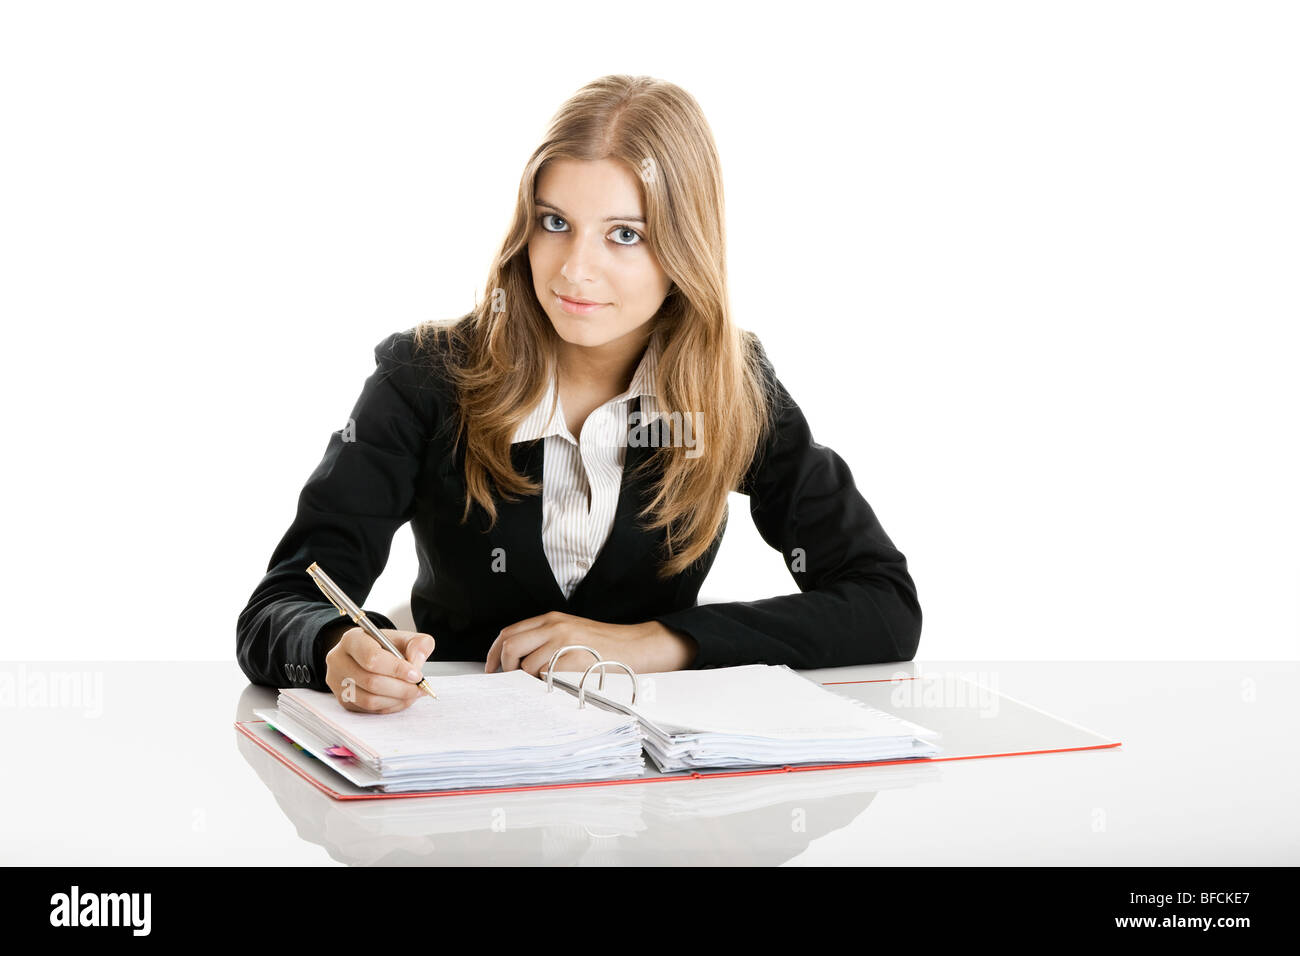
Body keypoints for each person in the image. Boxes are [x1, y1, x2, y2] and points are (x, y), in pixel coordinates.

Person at [236, 74, 921, 714]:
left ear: (686, 251)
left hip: (650, 792)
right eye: (554, 222)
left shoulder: (732, 387)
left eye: (625, 235)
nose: (574, 270)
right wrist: (334, 648)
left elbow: (883, 603)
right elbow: (282, 604)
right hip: (459, 781)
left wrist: (658, 642)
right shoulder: (424, 378)